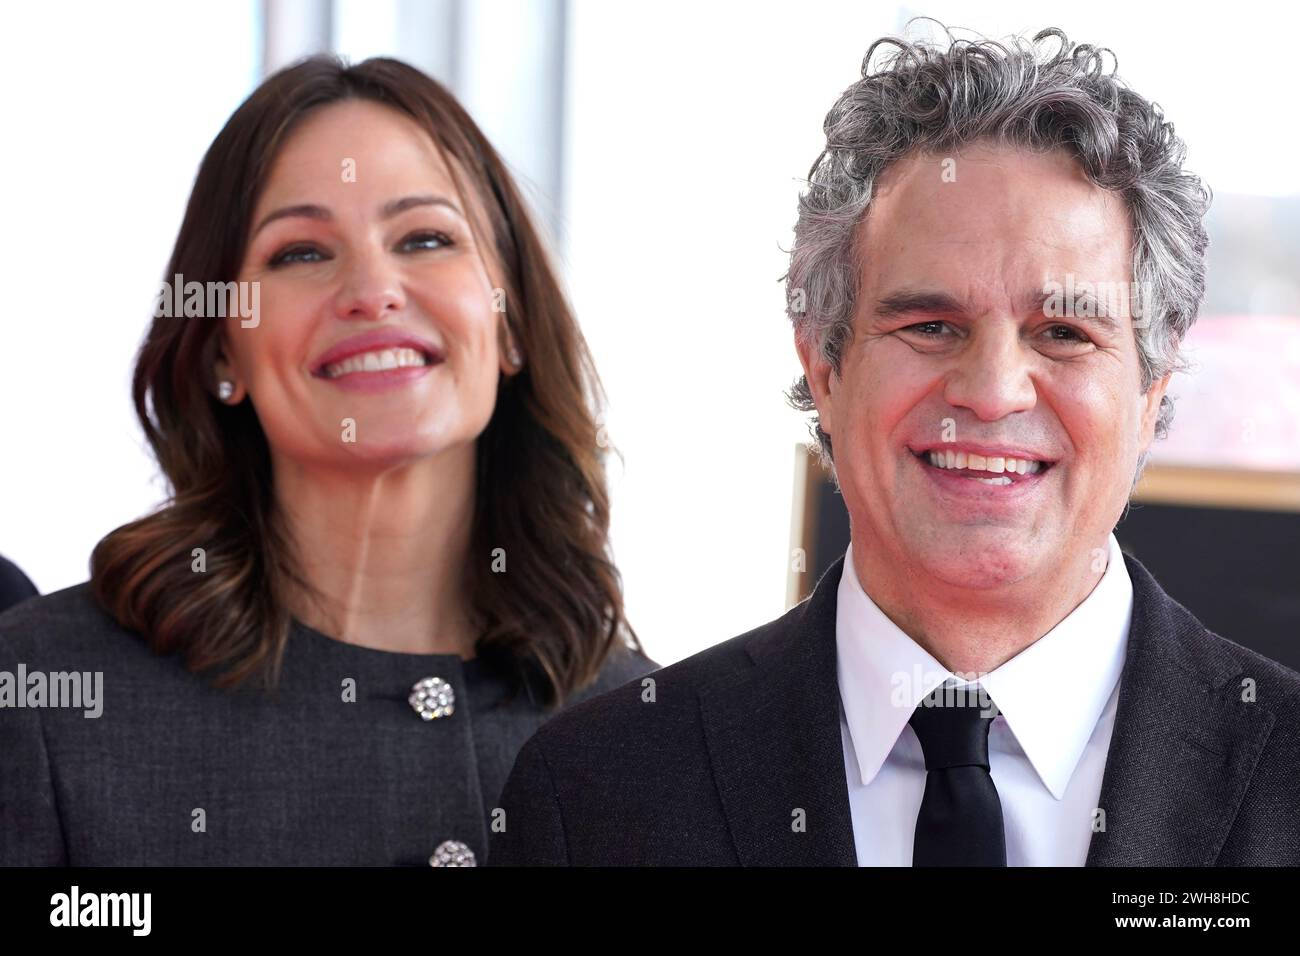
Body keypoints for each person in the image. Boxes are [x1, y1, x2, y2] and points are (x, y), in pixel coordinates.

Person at [488, 27, 1300, 866]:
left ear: (1151, 390)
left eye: (1063, 331)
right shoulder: (597, 795)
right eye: (931, 324)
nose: (990, 392)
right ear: (826, 368)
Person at [0, 54, 654, 866]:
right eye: (300, 253)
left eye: (425, 238)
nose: (372, 289)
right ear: (218, 354)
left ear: (511, 325)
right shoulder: (42, 697)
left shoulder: (647, 733)